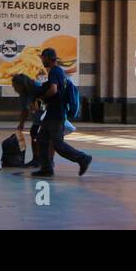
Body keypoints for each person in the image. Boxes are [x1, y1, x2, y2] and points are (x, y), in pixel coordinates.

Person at [29, 48, 91, 178]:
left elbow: (53, 90)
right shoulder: (58, 72)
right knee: (42, 139)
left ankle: (82, 158)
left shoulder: (55, 71)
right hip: (52, 114)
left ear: (47, 57)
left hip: (56, 115)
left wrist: (42, 97)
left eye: (43, 58)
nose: (42, 60)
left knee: (58, 144)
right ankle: (46, 168)